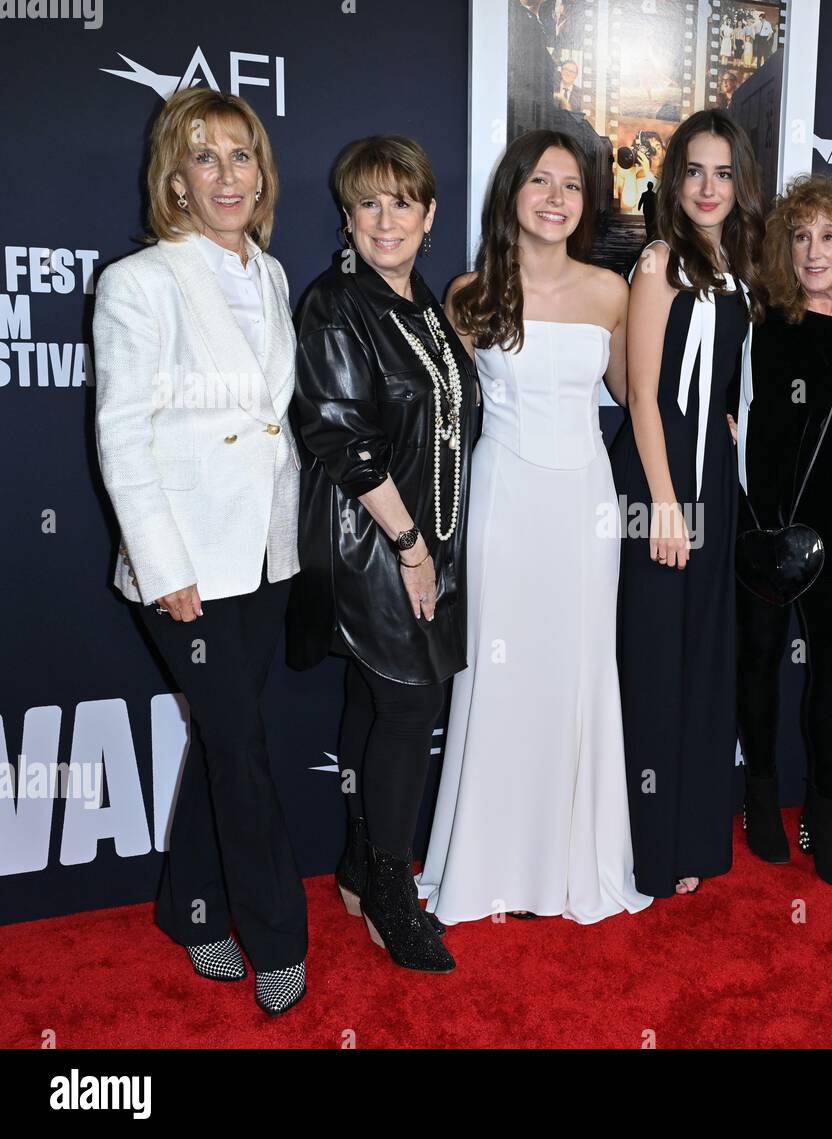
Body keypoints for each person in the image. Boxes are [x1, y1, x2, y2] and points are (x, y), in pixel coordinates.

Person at [93, 88, 306, 1015]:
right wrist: (163, 564)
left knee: (227, 742)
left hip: (261, 551)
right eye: (205, 157)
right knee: (242, 752)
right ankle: (277, 937)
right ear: (174, 178)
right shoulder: (139, 282)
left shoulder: (272, 274)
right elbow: (121, 436)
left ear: (261, 172)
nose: (228, 174)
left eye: (242, 155)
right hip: (183, 561)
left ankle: (190, 908)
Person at [415, 130, 652, 925]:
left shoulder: (611, 291)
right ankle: (486, 860)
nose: (556, 198)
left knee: (580, 669)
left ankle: (570, 862)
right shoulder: (468, 293)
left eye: (573, 186)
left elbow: (632, 395)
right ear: (511, 191)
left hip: (586, 500)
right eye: (541, 182)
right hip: (503, 498)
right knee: (497, 670)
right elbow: (441, 413)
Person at [290, 135, 472, 972]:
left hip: (423, 541)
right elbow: (339, 435)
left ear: (430, 216)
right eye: (370, 203)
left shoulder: (423, 303)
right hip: (375, 544)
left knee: (376, 702)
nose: (386, 218)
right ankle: (393, 891)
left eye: (403, 202)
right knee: (407, 711)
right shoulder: (336, 301)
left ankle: (362, 865)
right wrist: (409, 546)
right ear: (348, 218)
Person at [610, 109, 765, 897]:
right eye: (695, 171)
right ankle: (648, 847)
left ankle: (695, 837)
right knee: (653, 660)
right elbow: (639, 393)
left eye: (724, 172)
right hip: (658, 484)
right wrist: (665, 503)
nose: (709, 187)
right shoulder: (659, 262)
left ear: (741, 183)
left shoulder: (735, 265)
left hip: (713, 480)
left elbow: (723, 376)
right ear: (675, 181)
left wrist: (728, 421)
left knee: (705, 659)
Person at [735, 174, 832, 888]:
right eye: (800, 236)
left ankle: (824, 818)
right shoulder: (760, 325)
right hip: (767, 525)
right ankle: (760, 798)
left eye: (829, 236)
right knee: (758, 663)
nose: (813, 249)